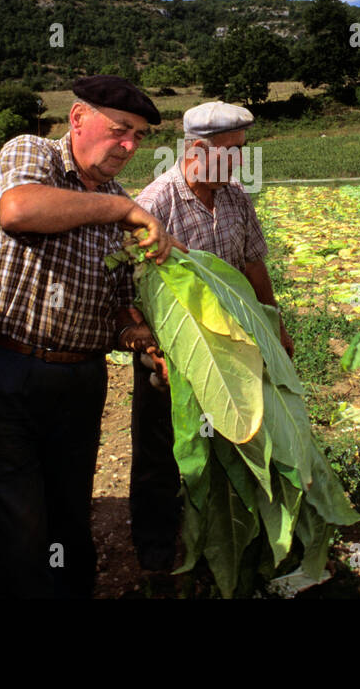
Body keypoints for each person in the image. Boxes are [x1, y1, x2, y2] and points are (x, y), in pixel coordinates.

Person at [0, 75, 182, 599]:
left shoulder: (119, 200)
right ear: (79, 119)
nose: (128, 145)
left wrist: (146, 341)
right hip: (2, 369)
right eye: (119, 129)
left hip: (79, 379)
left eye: (139, 137)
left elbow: (120, 308)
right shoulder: (32, 153)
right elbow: (19, 211)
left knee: (69, 517)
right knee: (21, 528)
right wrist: (121, 210)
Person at [128, 100, 293, 572]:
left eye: (243, 151)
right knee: (162, 450)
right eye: (233, 152)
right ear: (198, 150)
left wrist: (274, 325)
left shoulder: (236, 197)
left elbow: (253, 262)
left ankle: (228, 537)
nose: (241, 161)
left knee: (235, 441)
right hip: (176, 353)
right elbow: (131, 286)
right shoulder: (155, 203)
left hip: (235, 350)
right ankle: (156, 550)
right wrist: (155, 349)